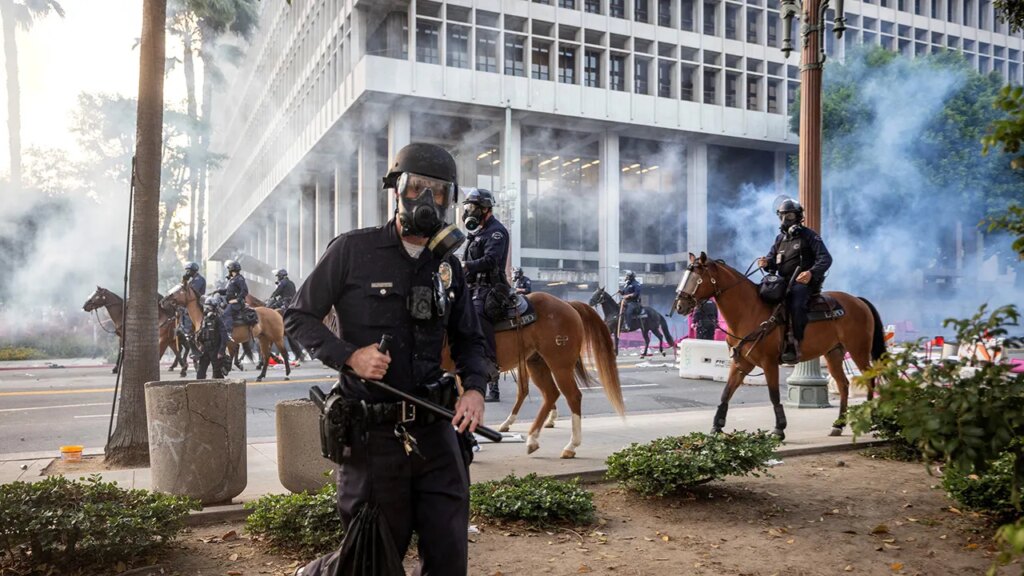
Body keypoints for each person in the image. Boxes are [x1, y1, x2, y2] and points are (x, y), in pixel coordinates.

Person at [284, 142, 490, 576]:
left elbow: (471, 339)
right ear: (397, 190)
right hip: (373, 437)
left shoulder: (447, 265)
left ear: (449, 199)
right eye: (417, 188)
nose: (427, 200)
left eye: (438, 192)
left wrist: (473, 389)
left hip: (437, 431)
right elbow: (298, 317)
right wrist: (349, 356)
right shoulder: (352, 252)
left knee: (450, 556)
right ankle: (317, 573)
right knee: (373, 560)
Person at [757, 198, 833, 364]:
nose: (785, 220)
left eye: (789, 215)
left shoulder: (809, 236)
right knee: (761, 295)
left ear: (798, 216)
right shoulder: (779, 239)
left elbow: (825, 258)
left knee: (796, 304)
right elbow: (771, 260)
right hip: (782, 281)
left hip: (803, 283)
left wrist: (811, 273)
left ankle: (794, 343)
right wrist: (765, 262)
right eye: (782, 216)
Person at [461, 187, 509, 403]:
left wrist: (466, 266)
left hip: (491, 287)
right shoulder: (477, 234)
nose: (469, 211)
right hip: (473, 286)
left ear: (485, 209)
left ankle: (490, 366)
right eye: (467, 206)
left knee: (478, 313)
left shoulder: (496, 232)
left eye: (473, 207)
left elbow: (491, 260)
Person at [213, 260, 249, 354]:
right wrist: (218, 291)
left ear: (231, 270)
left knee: (226, 314)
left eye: (229, 269)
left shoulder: (239, 279)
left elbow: (245, 291)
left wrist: (237, 299)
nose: (228, 271)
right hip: (230, 302)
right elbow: (228, 291)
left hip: (237, 303)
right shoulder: (233, 279)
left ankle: (228, 333)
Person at [195, 295, 226, 379]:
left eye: (208, 307)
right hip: (205, 349)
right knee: (200, 373)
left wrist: (221, 351)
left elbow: (224, 336)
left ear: (213, 308)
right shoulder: (204, 320)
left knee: (217, 374)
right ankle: (199, 390)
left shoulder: (218, 320)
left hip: (215, 350)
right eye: (206, 307)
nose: (206, 309)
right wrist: (200, 345)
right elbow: (201, 333)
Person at [179, 261, 206, 335]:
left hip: (197, 301)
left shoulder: (199, 279)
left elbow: (192, 291)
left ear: (192, 270)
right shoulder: (193, 279)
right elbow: (183, 289)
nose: (187, 272)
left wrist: (186, 283)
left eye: (188, 271)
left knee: (186, 311)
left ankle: (188, 331)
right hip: (191, 300)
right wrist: (184, 280)